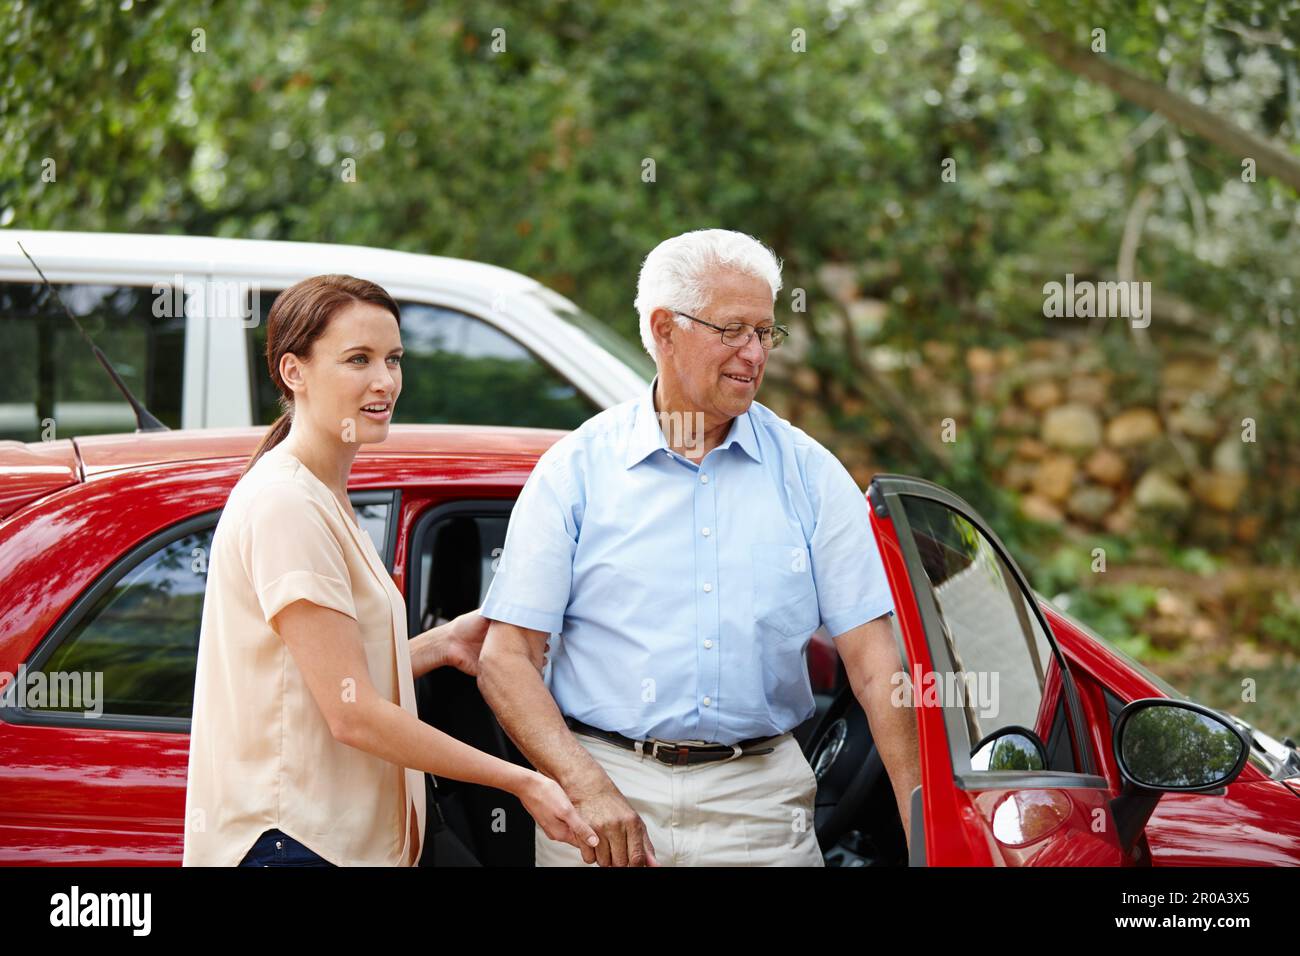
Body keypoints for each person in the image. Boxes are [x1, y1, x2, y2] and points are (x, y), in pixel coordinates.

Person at [477, 229, 922, 866]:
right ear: (664, 329)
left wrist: (924, 831)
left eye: (766, 332)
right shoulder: (575, 470)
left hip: (760, 808)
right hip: (601, 802)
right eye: (733, 329)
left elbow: (879, 667)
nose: (754, 353)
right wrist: (589, 788)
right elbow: (505, 659)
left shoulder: (810, 474)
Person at [182, 274, 597, 866]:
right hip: (296, 845)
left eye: (393, 359)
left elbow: (330, 674)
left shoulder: (321, 494)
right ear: (293, 372)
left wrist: (442, 643)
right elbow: (351, 714)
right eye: (358, 360)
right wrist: (521, 781)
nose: (385, 381)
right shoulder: (286, 504)